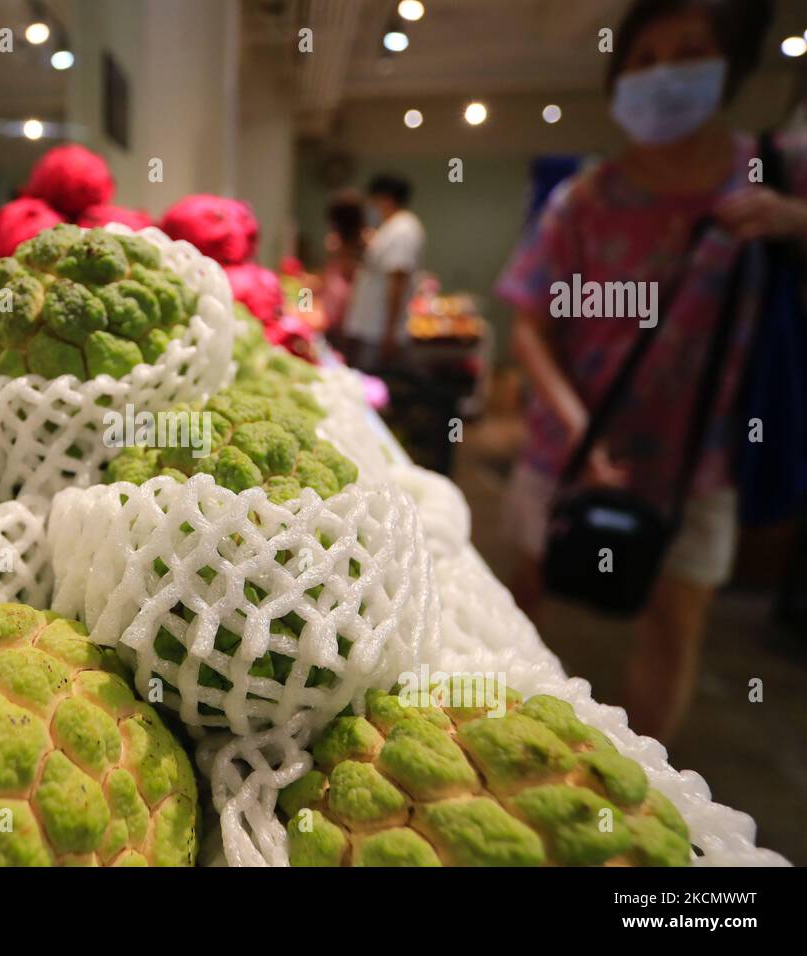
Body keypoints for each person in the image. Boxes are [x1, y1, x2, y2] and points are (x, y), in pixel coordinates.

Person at [496, 0, 806, 742]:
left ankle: (642, 776)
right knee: (526, 592)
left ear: (727, 65)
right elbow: (531, 325)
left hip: (702, 454)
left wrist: (793, 221)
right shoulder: (584, 200)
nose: (664, 72)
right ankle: (496, 726)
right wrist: (579, 435)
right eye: (644, 57)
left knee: (674, 616)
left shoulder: (777, 167)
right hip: (571, 443)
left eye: (688, 51)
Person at [344, 174, 425, 371]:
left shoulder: (404, 230)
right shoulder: (389, 227)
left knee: (378, 383)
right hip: (372, 327)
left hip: (380, 330)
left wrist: (390, 333)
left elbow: (398, 279)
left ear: (385, 198)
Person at [319, 191, 367, 353]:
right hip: (352, 293)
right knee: (346, 339)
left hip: (335, 293)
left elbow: (329, 270)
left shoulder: (335, 241)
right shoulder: (365, 240)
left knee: (333, 337)